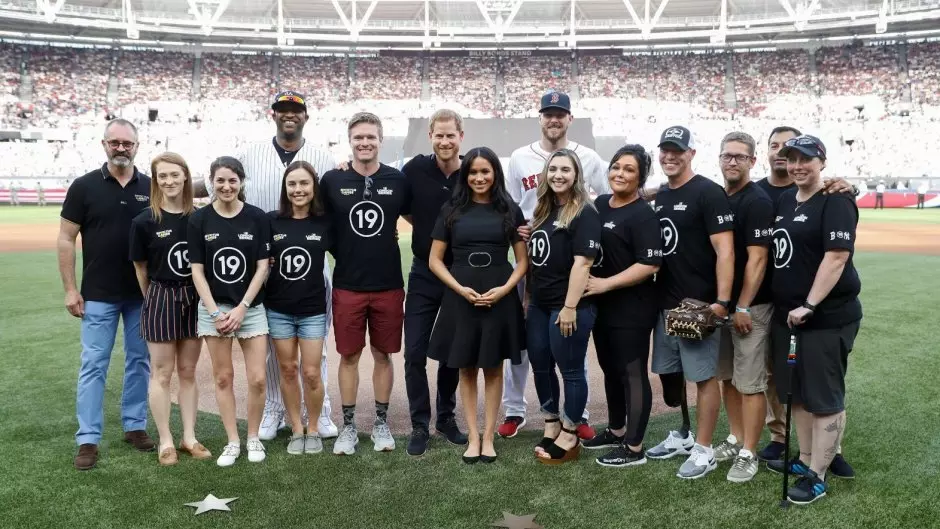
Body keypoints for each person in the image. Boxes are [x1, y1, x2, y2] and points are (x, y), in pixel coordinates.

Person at [195, 90, 338, 441]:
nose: (289, 116)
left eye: (296, 111)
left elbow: (338, 204)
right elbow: (220, 185)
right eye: (282, 110)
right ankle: (275, 407)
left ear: (306, 116)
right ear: (272, 114)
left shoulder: (324, 157)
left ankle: (318, 411)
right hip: (261, 263)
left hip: (312, 265)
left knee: (312, 352)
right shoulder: (249, 153)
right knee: (275, 349)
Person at [501, 90, 608, 440]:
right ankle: (519, 410)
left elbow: (608, 198)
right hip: (535, 268)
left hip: (570, 278)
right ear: (540, 117)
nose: (554, 118)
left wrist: (571, 304)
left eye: (560, 113)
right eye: (548, 113)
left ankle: (574, 419)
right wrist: (520, 233)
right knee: (531, 352)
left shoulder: (589, 159)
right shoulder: (520, 159)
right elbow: (514, 208)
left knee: (570, 360)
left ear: (569, 118)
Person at [766, 134, 863, 505]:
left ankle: (818, 475)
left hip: (825, 317)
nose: (797, 166)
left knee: (824, 398)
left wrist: (809, 303)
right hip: (789, 318)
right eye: (791, 159)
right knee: (800, 396)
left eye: (805, 159)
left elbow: (836, 257)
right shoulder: (785, 199)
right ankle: (805, 459)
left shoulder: (836, 200)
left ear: (821, 161)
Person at [58, 118, 155, 470]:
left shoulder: (151, 186)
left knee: (139, 361)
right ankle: (87, 438)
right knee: (94, 365)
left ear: (137, 146)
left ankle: (135, 425)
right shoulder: (84, 186)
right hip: (97, 293)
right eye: (115, 142)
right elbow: (66, 238)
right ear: (104, 144)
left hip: (141, 294)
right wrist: (71, 289)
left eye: (127, 143)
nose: (121, 148)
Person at [427, 147, 528, 464]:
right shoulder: (451, 210)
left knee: (494, 368)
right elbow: (434, 260)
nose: (479, 177)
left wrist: (504, 290)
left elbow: (523, 262)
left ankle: (488, 437)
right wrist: (459, 289)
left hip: (499, 296)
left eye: (486, 171)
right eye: (473, 172)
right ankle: (473, 436)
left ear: (495, 173)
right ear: (465, 175)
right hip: (462, 297)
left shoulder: (509, 209)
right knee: (467, 369)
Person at [645, 125, 734, 481]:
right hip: (665, 301)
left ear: (691, 154)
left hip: (698, 304)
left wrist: (722, 301)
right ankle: (683, 434)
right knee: (673, 372)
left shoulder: (708, 193)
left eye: (677, 150)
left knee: (703, 376)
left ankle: (704, 448)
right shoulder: (663, 194)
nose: (670, 156)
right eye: (665, 150)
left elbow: (725, 250)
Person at [320, 112, 411, 455]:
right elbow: (319, 223)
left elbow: (417, 217)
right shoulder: (332, 180)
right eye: (358, 137)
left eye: (370, 137)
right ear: (350, 141)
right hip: (348, 285)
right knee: (349, 356)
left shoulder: (397, 180)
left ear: (380, 140)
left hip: (388, 284)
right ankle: (348, 427)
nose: (365, 143)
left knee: (384, 355)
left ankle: (382, 423)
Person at [129, 152, 211, 466]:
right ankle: (165, 440)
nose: (169, 181)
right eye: (162, 176)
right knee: (162, 373)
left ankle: (188, 436)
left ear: (186, 177)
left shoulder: (200, 217)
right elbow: (140, 268)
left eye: (175, 175)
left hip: (194, 298)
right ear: (156, 180)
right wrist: (153, 299)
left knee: (189, 371)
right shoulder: (144, 220)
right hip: (161, 296)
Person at [188, 156, 272, 467]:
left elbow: (262, 267)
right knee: (223, 377)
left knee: (258, 378)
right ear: (211, 182)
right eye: (220, 180)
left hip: (249, 309)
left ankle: (252, 436)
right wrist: (214, 312)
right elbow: (197, 271)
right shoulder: (199, 220)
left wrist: (242, 307)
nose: (226, 186)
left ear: (241, 182)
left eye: (232, 180)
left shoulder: (257, 218)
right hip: (214, 311)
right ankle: (232, 441)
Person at [582, 145, 661, 468]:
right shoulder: (601, 204)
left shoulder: (642, 213)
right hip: (602, 305)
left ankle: (634, 447)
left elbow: (650, 264)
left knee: (632, 373)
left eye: (629, 169)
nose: (620, 174)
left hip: (632, 306)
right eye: (616, 167)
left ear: (640, 177)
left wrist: (606, 283)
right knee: (610, 370)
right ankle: (617, 430)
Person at [399, 110, 469, 456]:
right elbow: (405, 210)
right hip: (424, 272)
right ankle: (418, 422)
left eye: (450, 136)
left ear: (461, 136)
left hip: (459, 274)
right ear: (430, 136)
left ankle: (446, 417)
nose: (444, 141)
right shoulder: (413, 169)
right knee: (414, 350)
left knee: (451, 352)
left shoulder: (471, 171)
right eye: (439, 135)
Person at [526, 149, 602, 465]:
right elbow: (536, 260)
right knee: (541, 365)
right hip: (540, 305)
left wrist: (570, 307)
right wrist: (528, 299)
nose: (558, 175)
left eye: (565, 170)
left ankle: (570, 433)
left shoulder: (584, 212)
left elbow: (583, 263)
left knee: (570, 369)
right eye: (553, 169)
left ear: (576, 175)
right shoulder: (543, 211)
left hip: (569, 306)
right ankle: (551, 422)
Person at [713, 132, 774, 482]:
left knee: (750, 382)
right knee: (729, 380)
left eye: (739, 156)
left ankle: (750, 450)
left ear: (753, 161)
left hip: (750, 307)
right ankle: (736, 438)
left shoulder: (757, 201)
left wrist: (744, 305)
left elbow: (758, 259)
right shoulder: (719, 196)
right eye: (726, 156)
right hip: (723, 306)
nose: (732, 161)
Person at [265, 161, 333, 456]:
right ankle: (296, 428)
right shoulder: (271, 221)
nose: (298, 189)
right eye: (292, 184)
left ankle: (314, 427)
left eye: (304, 183)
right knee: (288, 370)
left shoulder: (325, 222)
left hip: (313, 310)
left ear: (313, 186)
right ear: (285, 188)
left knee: (312, 372)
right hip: (278, 309)